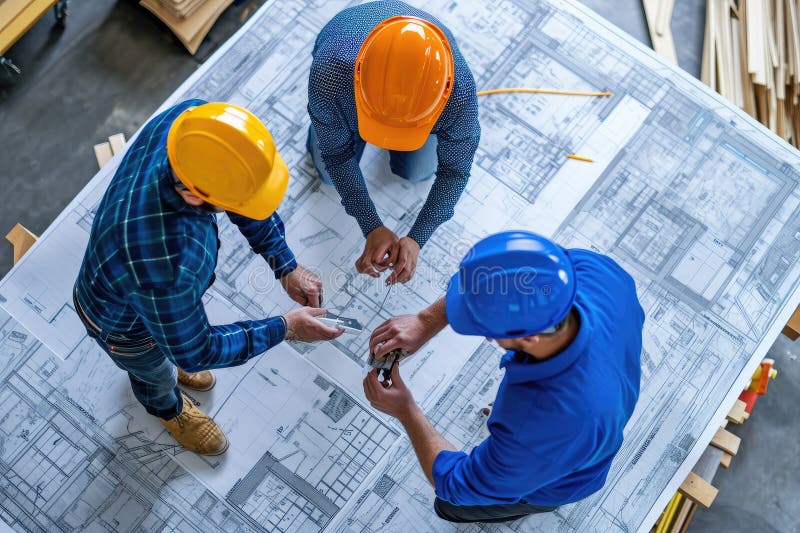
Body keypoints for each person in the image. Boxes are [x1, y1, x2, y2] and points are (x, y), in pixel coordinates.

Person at [74, 100, 344, 456]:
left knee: (170, 343)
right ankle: (167, 408)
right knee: (153, 370)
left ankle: (165, 364)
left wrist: (285, 265)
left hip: (135, 282)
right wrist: (286, 327)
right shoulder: (168, 262)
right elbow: (196, 351)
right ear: (191, 195)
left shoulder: (192, 126)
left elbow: (241, 196)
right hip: (124, 326)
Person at [363, 231, 644, 523]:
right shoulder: (597, 271)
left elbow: (455, 482)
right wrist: (426, 321)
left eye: (486, 329)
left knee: (449, 506)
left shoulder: (538, 424)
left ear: (531, 338)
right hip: (603, 395)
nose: (485, 335)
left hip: (562, 475)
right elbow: (508, 279)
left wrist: (406, 409)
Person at [307, 1, 480, 284]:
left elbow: (455, 171)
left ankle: (346, 123)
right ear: (359, 71)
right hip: (343, 61)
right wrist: (370, 225)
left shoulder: (459, 97)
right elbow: (337, 156)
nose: (387, 136)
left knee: (417, 171)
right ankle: (325, 120)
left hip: (409, 94)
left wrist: (417, 237)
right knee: (327, 172)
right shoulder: (329, 72)